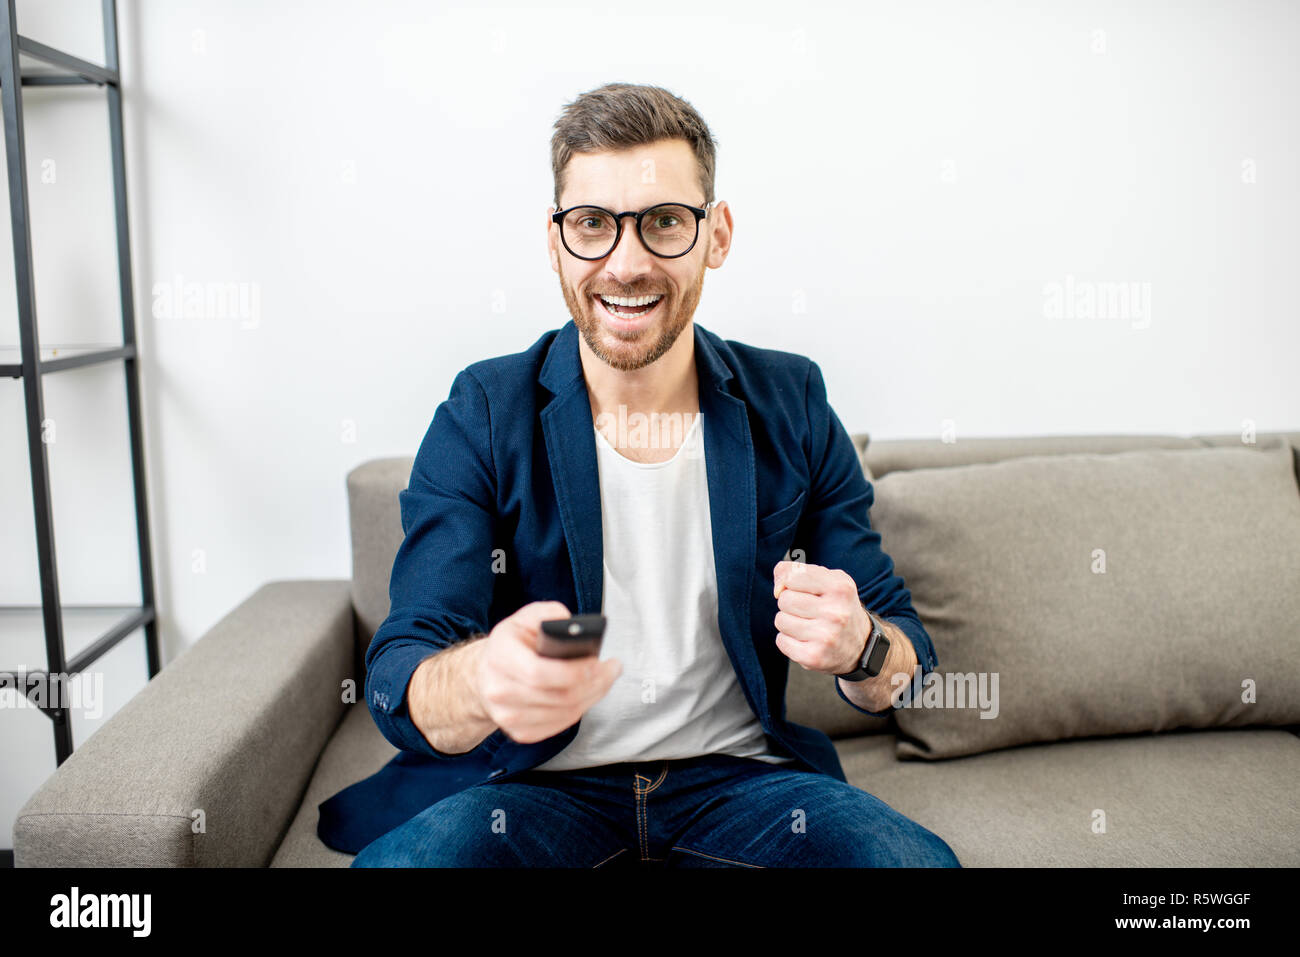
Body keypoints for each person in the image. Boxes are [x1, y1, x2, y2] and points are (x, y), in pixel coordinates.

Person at [342, 82, 960, 868]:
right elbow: (402, 663)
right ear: (555, 239)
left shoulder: (792, 400)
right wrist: (480, 680)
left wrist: (861, 646)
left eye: (664, 222)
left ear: (717, 234)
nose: (626, 264)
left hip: (743, 783)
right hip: (535, 787)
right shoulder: (484, 410)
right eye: (592, 224)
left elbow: (909, 659)